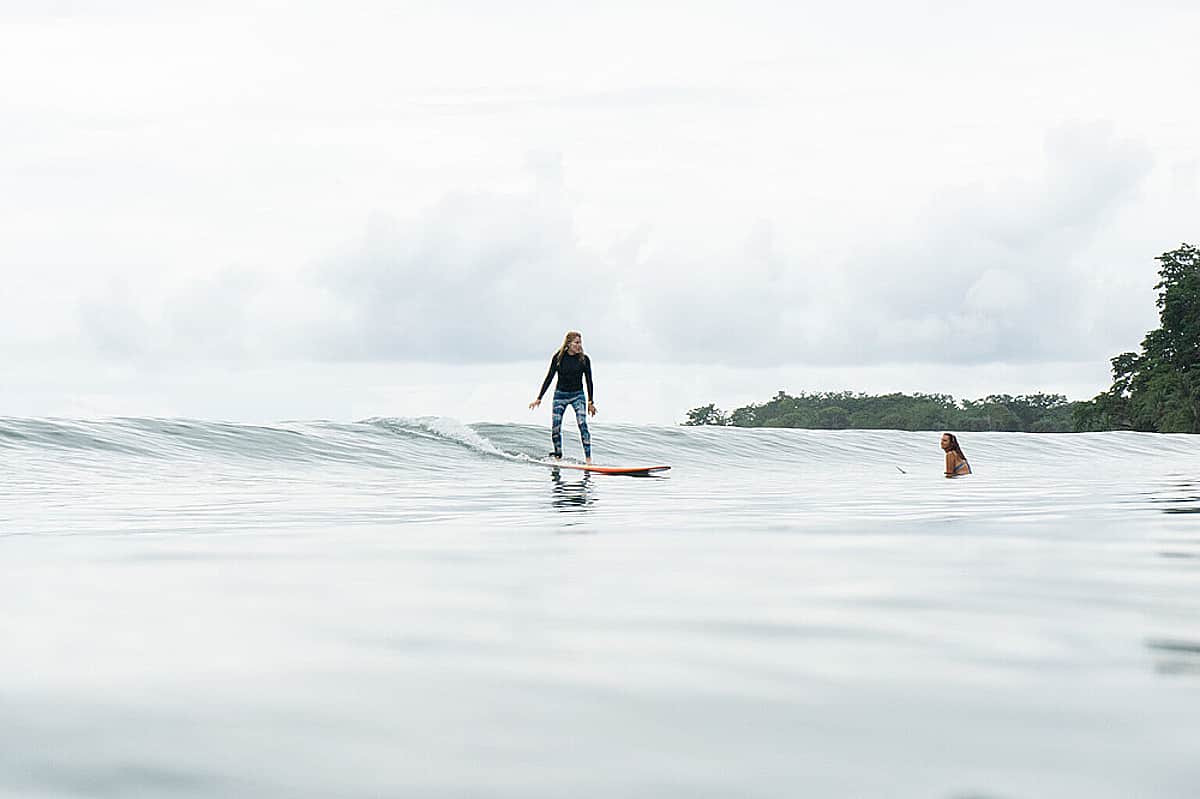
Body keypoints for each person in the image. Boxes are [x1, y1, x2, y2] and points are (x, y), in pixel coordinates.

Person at [529, 330, 596, 464]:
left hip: (578, 395)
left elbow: (589, 380)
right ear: (568, 344)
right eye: (576, 342)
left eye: (580, 342)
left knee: (582, 424)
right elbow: (549, 377)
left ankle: (588, 460)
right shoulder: (558, 358)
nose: (579, 345)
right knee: (556, 427)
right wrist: (539, 397)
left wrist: (590, 401)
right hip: (560, 395)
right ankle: (558, 456)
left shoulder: (584, 359)